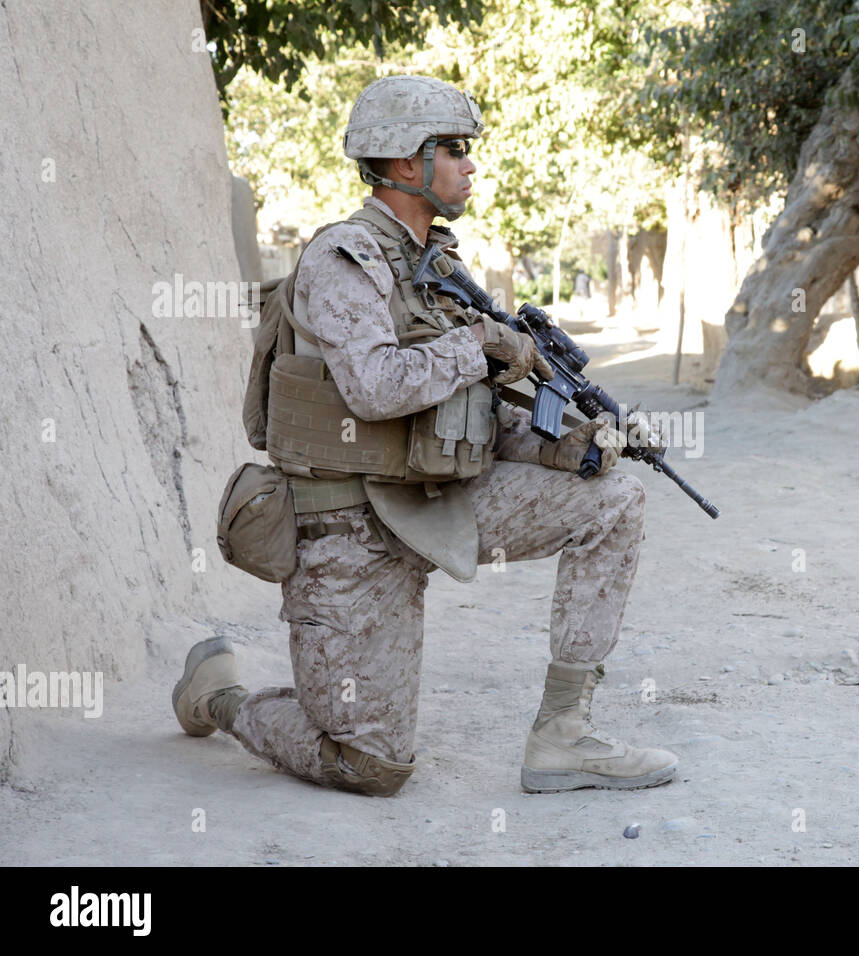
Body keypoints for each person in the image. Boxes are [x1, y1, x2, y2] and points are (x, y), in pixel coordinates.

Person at [173, 75, 677, 796]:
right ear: (405, 163)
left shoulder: (439, 269)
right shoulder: (344, 260)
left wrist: (570, 445)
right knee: (371, 765)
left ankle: (564, 734)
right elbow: (376, 388)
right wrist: (481, 344)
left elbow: (473, 411)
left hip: (439, 499)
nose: (470, 166)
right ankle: (219, 698)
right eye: (455, 150)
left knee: (613, 499)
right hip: (347, 525)